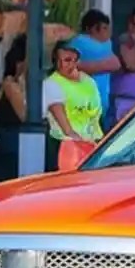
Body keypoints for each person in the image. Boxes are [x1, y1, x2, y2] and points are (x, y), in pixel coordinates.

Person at [43, 41, 103, 171]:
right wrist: (83, 147)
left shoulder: (88, 81)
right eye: (67, 60)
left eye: (75, 60)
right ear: (56, 62)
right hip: (67, 147)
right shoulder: (52, 84)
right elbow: (67, 129)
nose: (72, 65)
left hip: (93, 144)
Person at [70, 9, 121, 128]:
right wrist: (102, 66)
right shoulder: (79, 43)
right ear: (89, 29)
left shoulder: (106, 46)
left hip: (101, 106)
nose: (105, 33)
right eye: (102, 28)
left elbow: (116, 64)